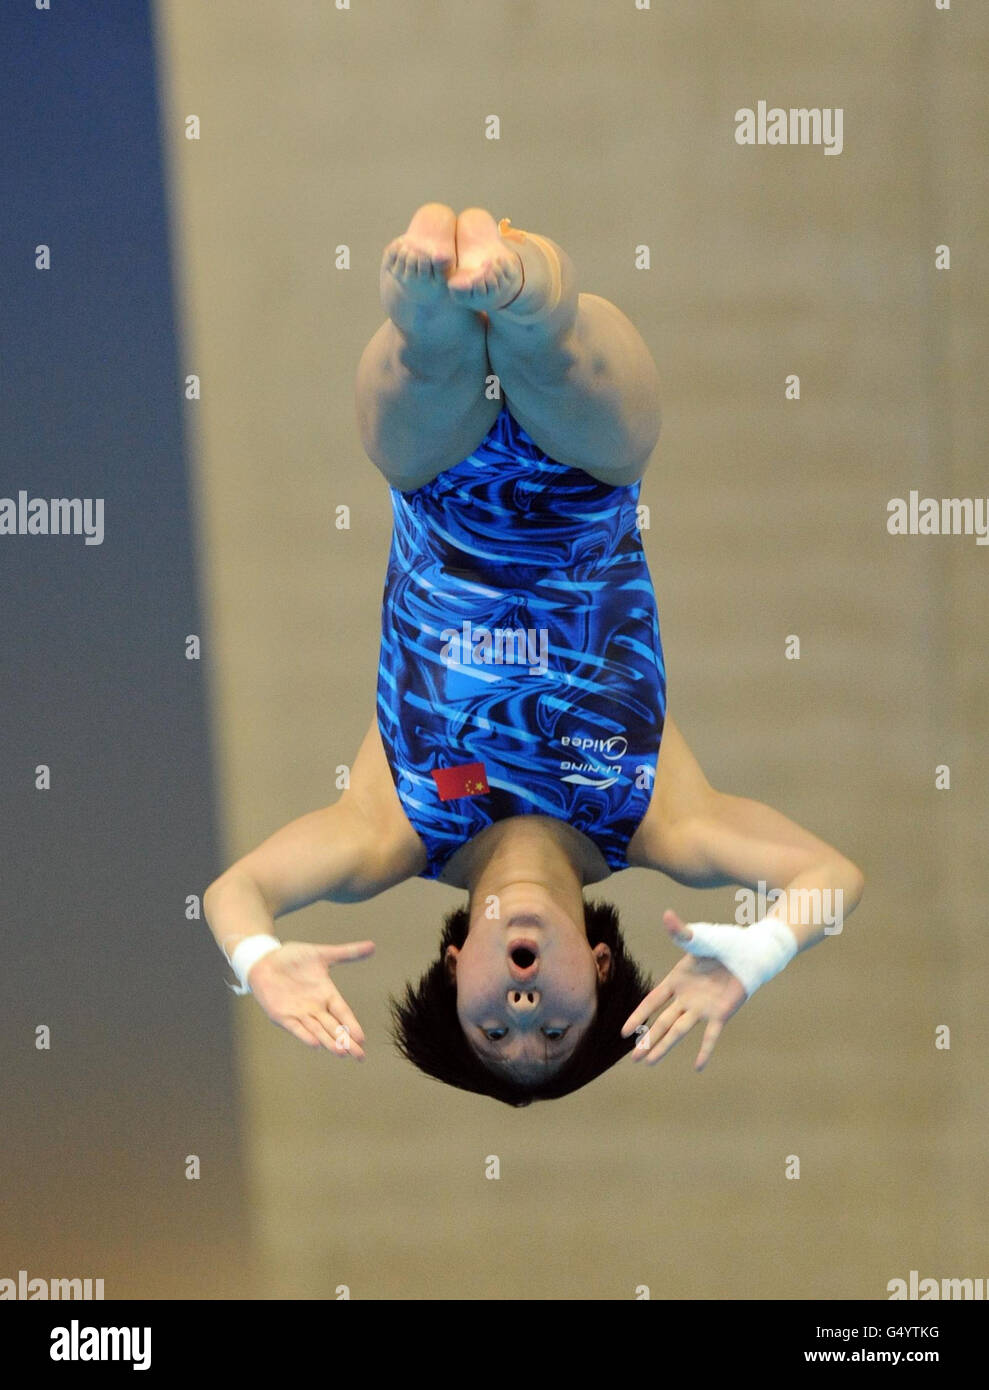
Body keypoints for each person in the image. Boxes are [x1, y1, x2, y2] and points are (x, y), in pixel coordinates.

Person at [203, 203, 865, 1106]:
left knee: (426, 349)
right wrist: (757, 953)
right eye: (553, 1028)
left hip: (435, 478)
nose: (522, 1005)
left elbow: (235, 891)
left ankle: (434, 284)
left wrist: (258, 960)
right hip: (589, 469)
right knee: (549, 344)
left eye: (493, 1025)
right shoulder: (653, 819)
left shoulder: (392, 830)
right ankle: (509, 279)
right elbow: (831, 878)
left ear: (452, 961)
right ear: (598, 967)